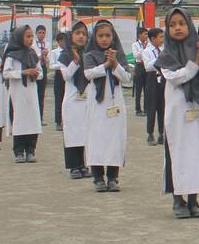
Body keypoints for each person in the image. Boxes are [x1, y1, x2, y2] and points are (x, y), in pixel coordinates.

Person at [158, 8, 199, 218]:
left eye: (182, 23)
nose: (177, 28)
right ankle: (178, 199)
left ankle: (194, 199)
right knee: (179, 152)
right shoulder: (166, 55)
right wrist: (194, 63)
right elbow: (176, 77)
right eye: (172, 24)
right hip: (177, 112)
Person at [82, 19, 130, 191]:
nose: (104, 39)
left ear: (113, 37)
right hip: (97, 105)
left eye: (108, 35)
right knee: (97, 139)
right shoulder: (89, 55)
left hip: (115, 103)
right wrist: (105, 65)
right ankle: (97, 177)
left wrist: (115, 63)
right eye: (100, 35)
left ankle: (113, 177)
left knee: (114, 140)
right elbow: (88, 74)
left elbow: (126, 78)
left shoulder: (118, 55)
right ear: (94, 37)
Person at [3, 25, 42, 162]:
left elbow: (40, 72)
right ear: (20, 37)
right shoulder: (12, 56)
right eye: (28, 36)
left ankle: (31, 150)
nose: (30, 39)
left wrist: (36, 73)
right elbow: (6, 73)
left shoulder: (33, 54)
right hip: (18, 93)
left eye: (32, 36)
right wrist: (22, 72)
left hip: (31, 92)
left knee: (32, 120)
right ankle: (19, 151)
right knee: (19, 121)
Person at [57, 21, 91, 179]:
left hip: (87, 99)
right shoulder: (65, 54)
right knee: (72, 133)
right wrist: (76, 61)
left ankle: (84, 165)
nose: (81, 36)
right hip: (71, 100)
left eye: (84, 34)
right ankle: (74, 167)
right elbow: (66, 76)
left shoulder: (90, 54)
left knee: (85, 133)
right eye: (78, 33)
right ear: (71, 36)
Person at [142, 27, 165, 145]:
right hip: (152, 80)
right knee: (152, 108)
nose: (162, 39)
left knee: (162, 108)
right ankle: (150, 133)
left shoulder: (164, 49)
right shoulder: (147, 51)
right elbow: (148, 66)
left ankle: (162, 133)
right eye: (160, 37)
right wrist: (160, 59)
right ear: (153, 39)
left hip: (163, 79)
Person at [49, 32, 67, 130]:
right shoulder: (54, 52)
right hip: (59, 75)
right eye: (62, 40)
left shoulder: (69, 51)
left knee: (67, 98)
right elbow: (51, 65)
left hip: (68, 74)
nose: (64, 42)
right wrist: (61, 66)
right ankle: (58, 121)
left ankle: (66, 120)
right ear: (59, 41)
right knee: (59, 98)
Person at [132, 26, 150, 117]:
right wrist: (144, 49)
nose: (146, 36)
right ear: (140, 35)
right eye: (145, 34)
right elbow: (136, 56)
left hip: (147, 67)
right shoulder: (135, 45)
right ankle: (138, 109)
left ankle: (146, 109)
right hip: (139, 66)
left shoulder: (149, 44)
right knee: (138, 89)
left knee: (147, 89)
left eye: (147, 34)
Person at [34, 24, 50, 126]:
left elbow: (48, 59)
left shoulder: (47, 44)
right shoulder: (33, 44)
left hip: (43, 68)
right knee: (33, 94)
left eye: (43, 33)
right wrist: (41, 55)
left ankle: (40, 117)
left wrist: (45, 56)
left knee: (41, 94)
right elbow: (34, 56)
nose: (41, 34)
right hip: (35, 68)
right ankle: (33, 117)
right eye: (39, 32)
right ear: (36, 33)